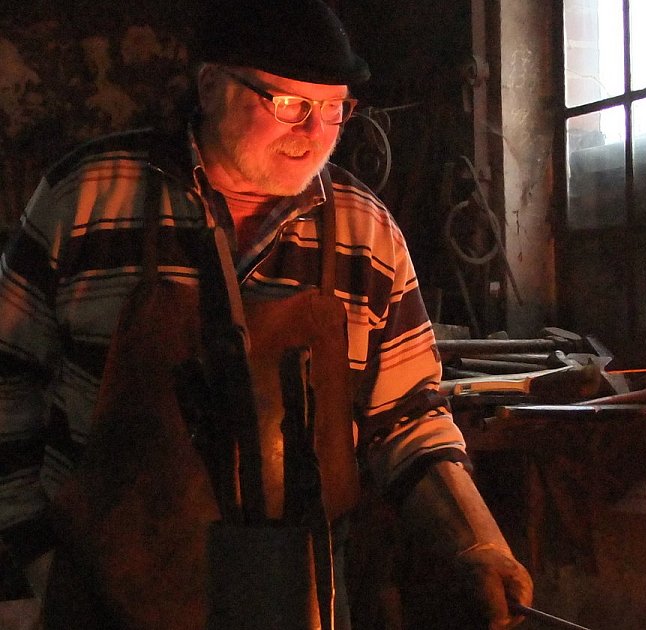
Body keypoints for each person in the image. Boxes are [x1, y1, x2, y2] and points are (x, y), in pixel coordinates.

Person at [0, 0, 532, 628]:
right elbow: (7, 381)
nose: (314, 131)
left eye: (332, 109)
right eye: (287, 104)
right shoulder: (85, 197)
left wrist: (475, 541)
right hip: (97, 599)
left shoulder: (368, 236)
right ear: (210, 86)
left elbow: (409, 417)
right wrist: (32, 557)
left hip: (301, 602)